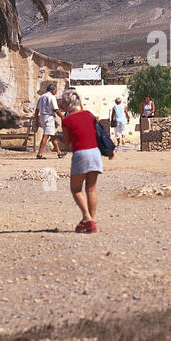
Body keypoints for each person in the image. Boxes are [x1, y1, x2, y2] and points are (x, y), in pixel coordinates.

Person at [58, 89, 108, 233]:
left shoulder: (66, 120)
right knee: (91, 189)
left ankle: (87, 218)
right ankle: (90, 223)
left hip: (81, 154)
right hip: (95, 153)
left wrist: (58, 138)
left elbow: (67, 142)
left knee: (76, 189)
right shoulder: (89, 115)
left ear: (67, 104)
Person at [35, 82, 63, 159]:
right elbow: (56, 109)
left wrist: (36, 119)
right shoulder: (51, 97)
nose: (56, 92)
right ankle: (39, 154)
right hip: (49, 117)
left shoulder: (41, 97)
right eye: (55, 90)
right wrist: (62, 117)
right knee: (46, 135)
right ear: (52, 90)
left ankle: (59, 152)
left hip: (42, 117)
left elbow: (37, 110)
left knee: (52, 135)